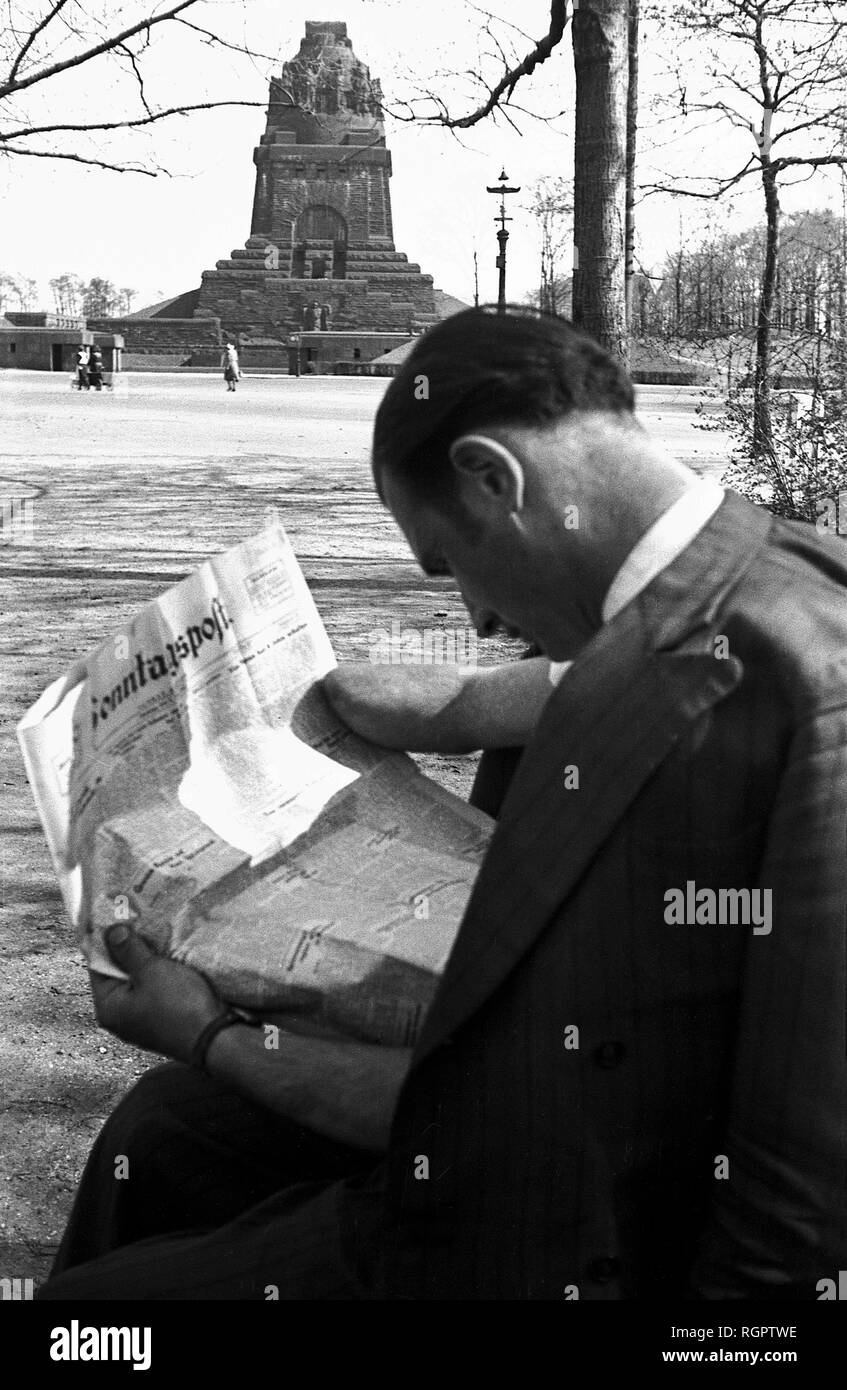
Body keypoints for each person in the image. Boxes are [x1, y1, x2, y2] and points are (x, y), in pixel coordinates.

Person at [37, 306, 847, 1300]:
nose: (474, 616)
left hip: (561, 1239)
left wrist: (218, 1036)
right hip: (514, 1142)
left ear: (493, 478)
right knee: (161, 1132)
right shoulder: (740, 590)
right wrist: (465, 703)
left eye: (448, 563)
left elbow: (807, 1160)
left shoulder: (785, 683)